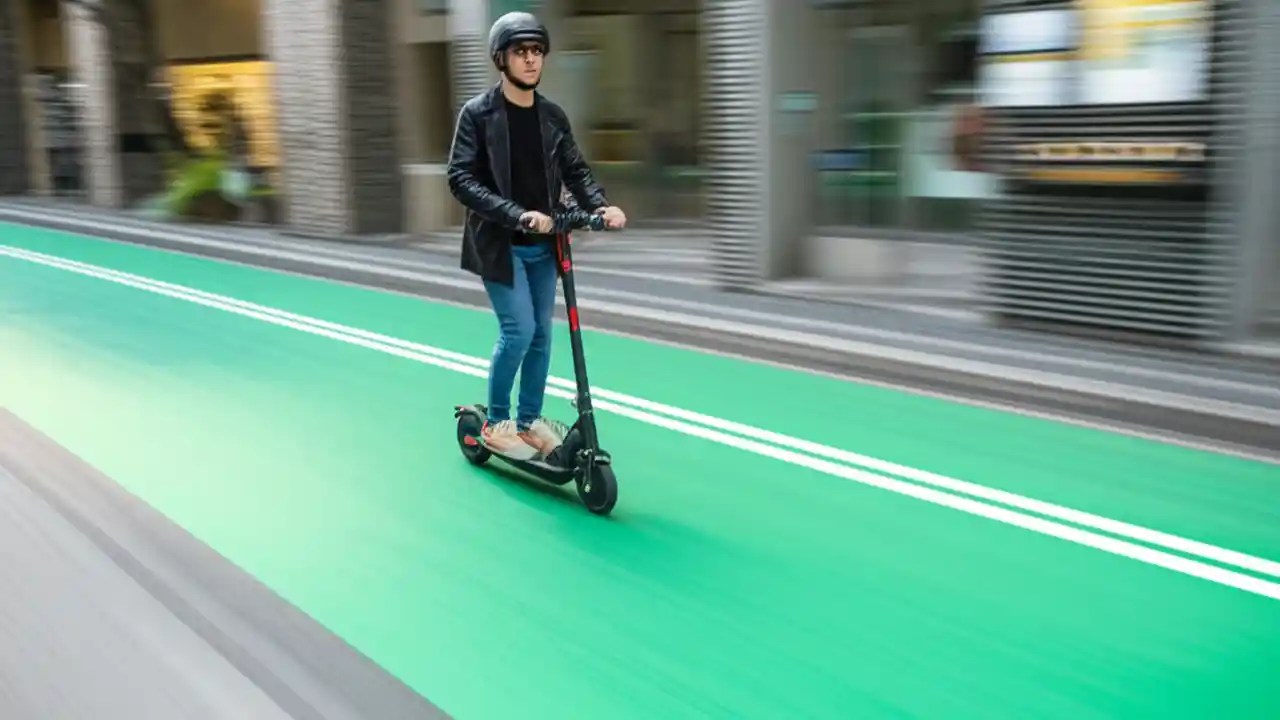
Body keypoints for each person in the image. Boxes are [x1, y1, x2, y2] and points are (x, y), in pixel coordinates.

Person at [447, 11, 626, 460]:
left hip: (546, 247)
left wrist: (598, 206)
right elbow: (461, 179)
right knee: (519, 330)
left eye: (536, 52)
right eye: (520, 52)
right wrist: (517, 214)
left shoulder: (551, 116)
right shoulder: (478, 115)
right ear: (500, 59)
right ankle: (497, 423)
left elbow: (575, 170)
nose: (530, 60)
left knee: (542, 337)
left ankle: (527, 425)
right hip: (500, 245)